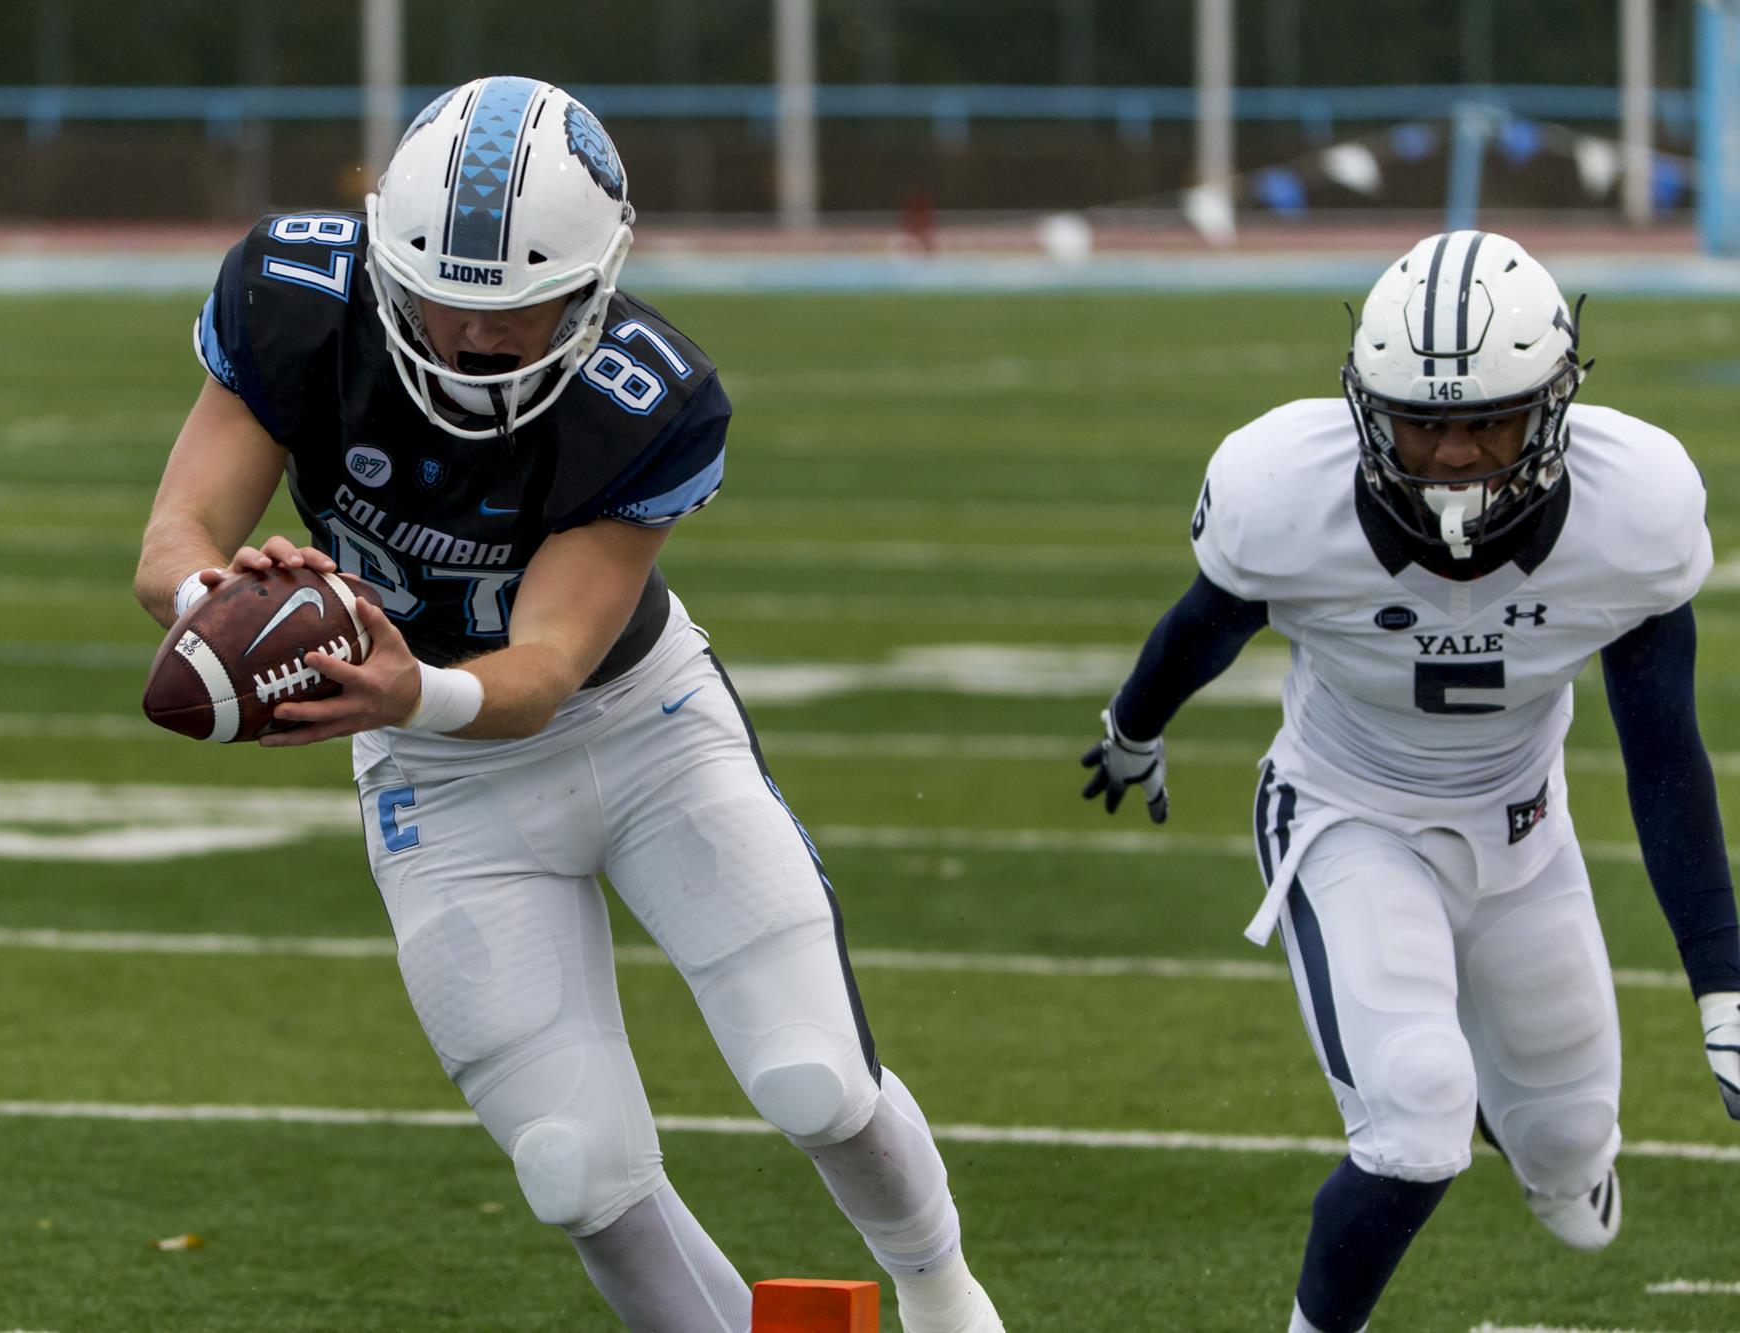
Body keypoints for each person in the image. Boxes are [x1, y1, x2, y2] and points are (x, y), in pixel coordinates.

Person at [133, 76, 1004, 1333]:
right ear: (383, 258)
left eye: (520, 308)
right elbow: (174, 536)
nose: (475, 337)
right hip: (439, 777)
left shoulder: (647, 398)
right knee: (572, 1165)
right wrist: (227, 593)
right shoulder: (294, 300)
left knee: (811, 1079)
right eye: (444, 300)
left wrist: (403, 684)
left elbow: (540, 671)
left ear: (592, 285)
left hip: (638, 731)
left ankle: (943, 1300)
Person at [1078, 230, 1740, 1332]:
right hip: (1348, 813)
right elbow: (1202, 626)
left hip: (1523, 830)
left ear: (1554, 402)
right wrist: (1132, 727)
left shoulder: (1634, 511)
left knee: (1573, 1169)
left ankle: (1522, 1119)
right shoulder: (1283, 495)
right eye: (1420, 422)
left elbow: (1661, 750)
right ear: (1365, 408)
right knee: (1413, 1125)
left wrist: (1722, 984)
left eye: (1486, 419)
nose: (1449, 456)